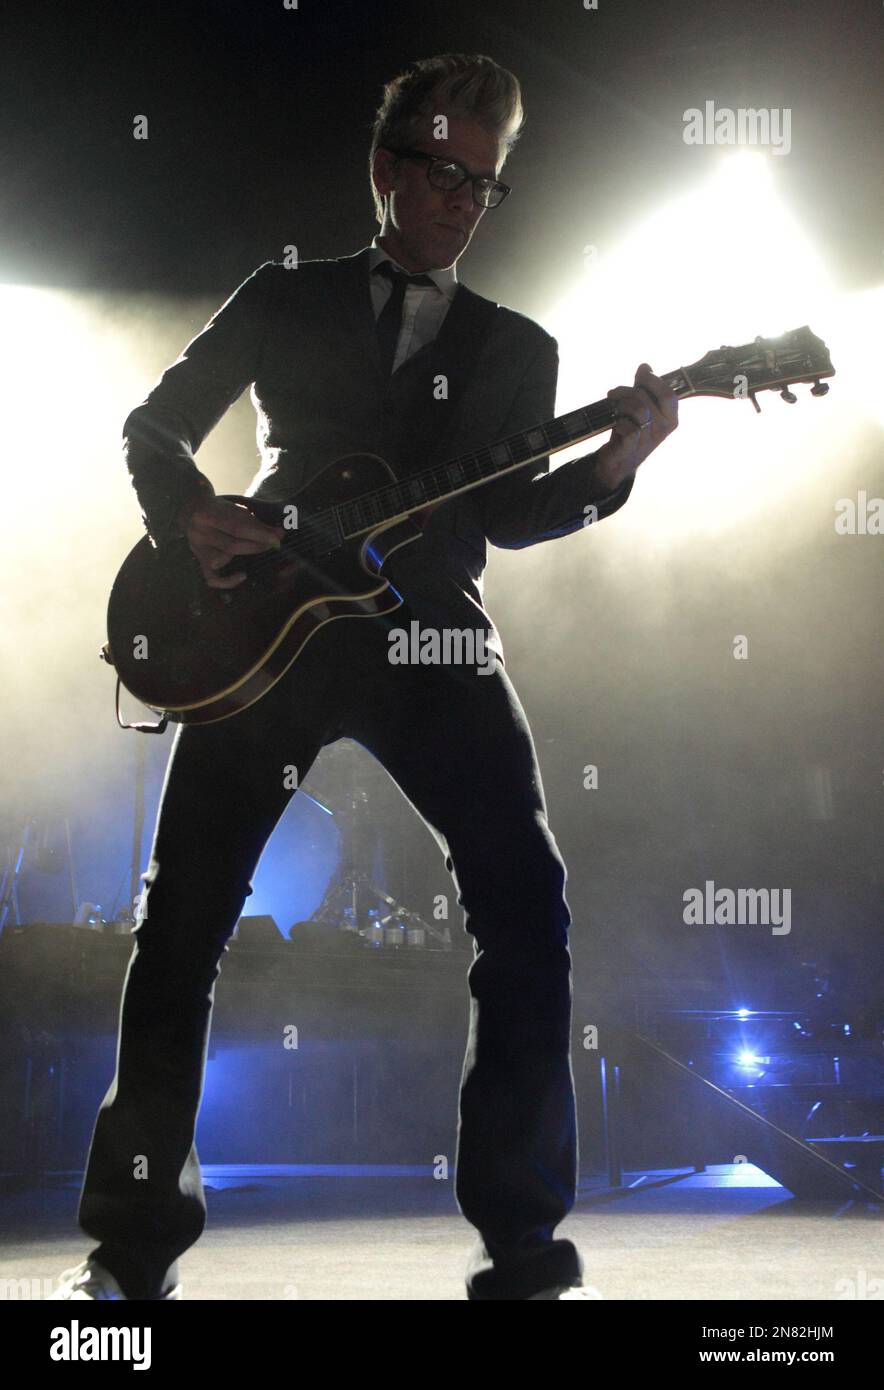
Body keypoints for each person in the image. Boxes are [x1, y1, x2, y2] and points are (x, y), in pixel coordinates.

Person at [51, 52, 677, 1302]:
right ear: (388, 168)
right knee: (178, 922)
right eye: (443, 171)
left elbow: (509, 521)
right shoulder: (286, 296)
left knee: (526, 904)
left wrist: (616, 465)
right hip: (265, 631)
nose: (460, 200)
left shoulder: (519, 346)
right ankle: (129, 1251)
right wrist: (189, 519)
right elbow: (154, 426)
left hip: (432, 636)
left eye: (483, 186)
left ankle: (521, 1242)